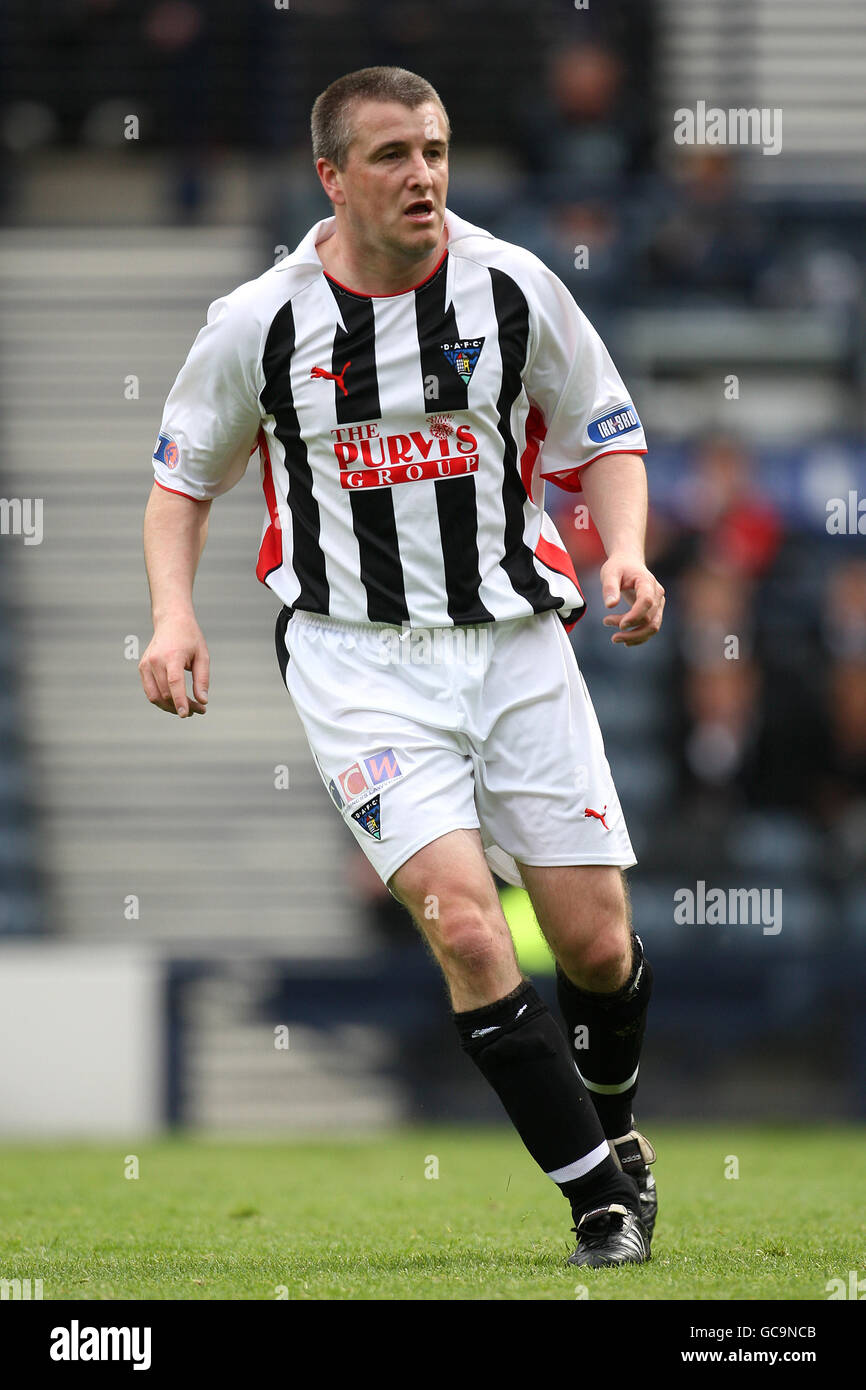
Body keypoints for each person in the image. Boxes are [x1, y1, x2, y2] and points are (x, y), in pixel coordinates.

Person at [139, 66, 666, 1269]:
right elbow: (180, 481)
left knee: (590, 943)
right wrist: (171, 617)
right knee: (470, 931)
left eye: (431, 148)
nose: (421, 173)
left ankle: (617, 1136)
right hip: (355, 660)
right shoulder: (257, 323)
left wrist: (626, 551)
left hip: (516, 642)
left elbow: (606, 434)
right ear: (330, 177)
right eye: (389, 155)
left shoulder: (513, 287)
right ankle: (598, 1206)